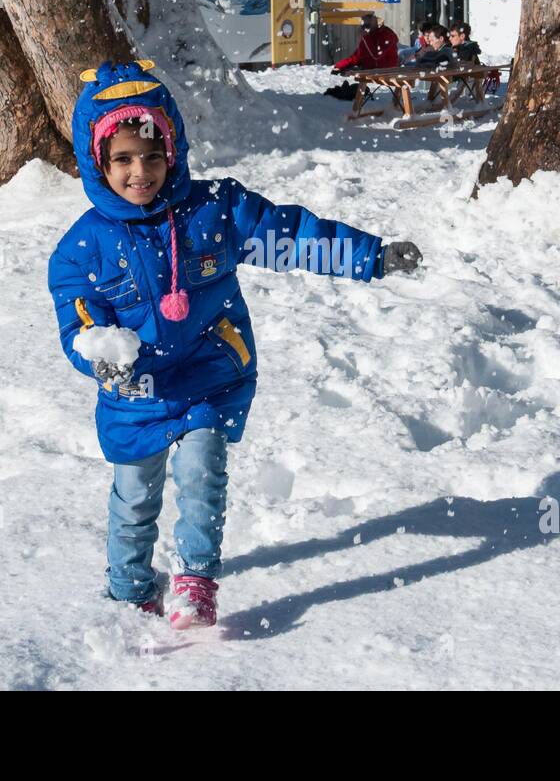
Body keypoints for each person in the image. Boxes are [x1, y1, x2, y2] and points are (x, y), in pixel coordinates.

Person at [48, 61, 422, 629]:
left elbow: (292, 238)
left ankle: (196, 580)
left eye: (152, 155)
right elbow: (80, 321)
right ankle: (129, 591)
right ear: (98, 163)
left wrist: (369, 256)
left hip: (206, 375)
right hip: (136, 397)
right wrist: (102, 356)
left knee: (202, 475)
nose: (140, 171)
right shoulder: (83, 248)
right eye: (122, 159)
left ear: (172, 149)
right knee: (133, 500)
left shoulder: (214, 211)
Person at [333, 13, 399, 73]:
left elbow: (376, 55)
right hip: (371, 70)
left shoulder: (387, 34)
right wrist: (340, 65)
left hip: (387, 71)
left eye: (367, 24)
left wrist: (366, 37)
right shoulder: (367, 37)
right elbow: (357, 57)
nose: (365, 27)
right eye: (364, 24)